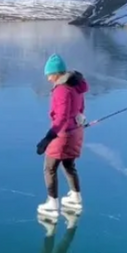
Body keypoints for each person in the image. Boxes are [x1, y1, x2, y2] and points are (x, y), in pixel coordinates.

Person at [36, 54, 89, 218]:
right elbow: (80, 109)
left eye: (50, 75)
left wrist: (48, 137)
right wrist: (79, 120)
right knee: (68, 164)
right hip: (76, 132)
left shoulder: (61, 90)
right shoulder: (76, 86)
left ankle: (52, 203)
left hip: (62, 135)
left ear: (57, 73)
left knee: (50, 167)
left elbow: (61, 117)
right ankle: (75, 196)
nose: (48, 79)